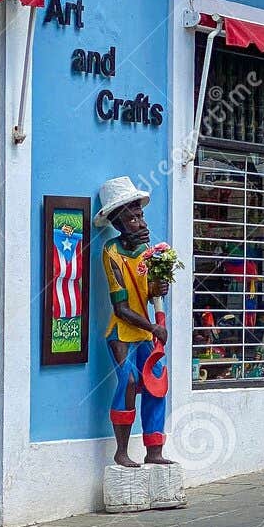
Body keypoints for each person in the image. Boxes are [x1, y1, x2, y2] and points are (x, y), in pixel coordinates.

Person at [96, 176, 173, 468]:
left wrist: (158, 287)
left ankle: (154, 449)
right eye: (133, 219)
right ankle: (121, 451)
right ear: (118, 223)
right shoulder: (111, 253)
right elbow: (121, 307)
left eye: (140, 216)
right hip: (122, 333)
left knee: (156, 386)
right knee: (128, 383)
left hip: (144, 335)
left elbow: (148, 291)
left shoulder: (145, 252)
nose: (141, 224)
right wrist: (153, 326)